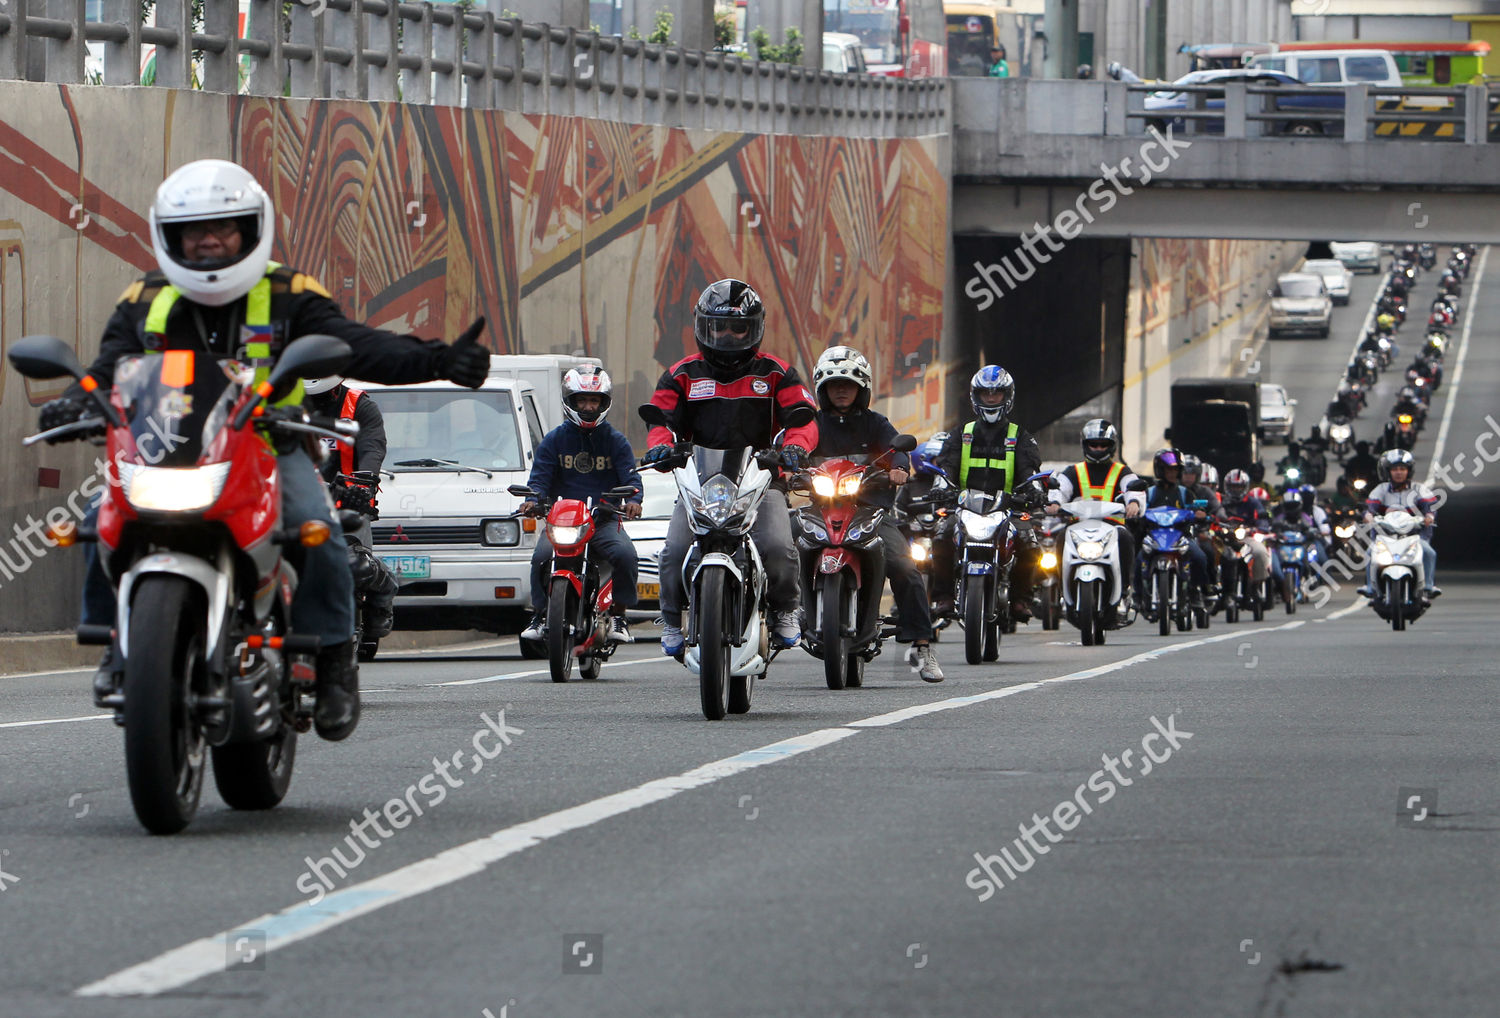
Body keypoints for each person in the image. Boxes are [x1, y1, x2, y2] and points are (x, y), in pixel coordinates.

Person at [39, 159, 490, 741]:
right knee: (97, 517)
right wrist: (76, 400)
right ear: (169, 236)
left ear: (249, 230)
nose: (207, 239)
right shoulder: (146, 297)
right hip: (166, 453)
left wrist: (437, 360)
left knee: (319, 531)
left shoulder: (290, 294)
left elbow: (354, 345)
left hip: (269, 447)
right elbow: (109, 368)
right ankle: (117, 641)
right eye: (192, 230)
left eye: (222, 227)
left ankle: (332, 663)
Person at [640, 279, 817, 656]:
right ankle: (671, 619)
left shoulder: (777, 373)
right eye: (720, 326)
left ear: (755, 328)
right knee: (672, 552)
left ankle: (786, 610)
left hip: (760, 480)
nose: (729, 335)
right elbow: (660, 420)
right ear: (703, 327)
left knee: (779, 547)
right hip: (698, 484)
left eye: (739, 327)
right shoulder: (681, 374)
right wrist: (660, 448)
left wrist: (794, 449)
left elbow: (804, 420)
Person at [807, 346, 942, 682]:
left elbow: (897, 449)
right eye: (834, 384)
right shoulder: (809, 424)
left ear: (862, 389)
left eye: (848, 384)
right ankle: (773, 626)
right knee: (778, 552)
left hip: (870, 513)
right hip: (819, 512)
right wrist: (783, 466)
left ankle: (922, 646)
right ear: (822, 389)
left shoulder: (876, 424)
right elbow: (790, 449)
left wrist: (899, 468)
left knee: (904, 565)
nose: (841, 390)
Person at [519, 366, 643, 644]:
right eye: (582, 400)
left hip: (603, 521)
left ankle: (620, 616)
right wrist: (532, 501)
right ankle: (540, 615)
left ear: (603, 403)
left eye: (594, 400)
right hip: (561, 523)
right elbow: (538, 480)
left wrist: (634, 500)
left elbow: (631, 478)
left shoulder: (616, 441)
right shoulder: (554, 440)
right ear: (571, 402)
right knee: (540, 558)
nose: (588, 406)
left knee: (626, 556)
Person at [934, 366, 1043, 621]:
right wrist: (940, 485)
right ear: (976, 397)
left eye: (997, 394)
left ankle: (1020, 600)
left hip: (1007, 507)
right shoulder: (962, 433)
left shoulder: (1020, 436)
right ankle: (943, 597)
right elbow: (947, 463)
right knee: (940, 537)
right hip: (965, 507)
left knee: (1030, 543)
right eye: (986, 394)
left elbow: (1030, 468)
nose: (992, 399)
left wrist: (1035, 489)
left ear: (1008, 397)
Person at [304, 374, 397, 641]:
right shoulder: (279, 402)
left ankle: (382, 593)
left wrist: (363, 482)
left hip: (347, 500)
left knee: (356, 564)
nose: (314, 403)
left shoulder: (360, 405)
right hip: (294, 499)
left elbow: (373, 447)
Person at [1043, 419, 1143, 606]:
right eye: (1093, 444)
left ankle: (1124, 588)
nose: (1098, 449)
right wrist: (1054, 503)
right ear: (1085, 445)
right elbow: (1060, 489)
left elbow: (1132, 488)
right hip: (1078, 528)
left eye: (1103, 445)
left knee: (1127, 538)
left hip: (1113, 527)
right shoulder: (1073, 471)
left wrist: (1134, 503)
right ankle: (1060, 586)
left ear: (1111, 446)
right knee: (1061, 538)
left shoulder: (1122, 471)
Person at [1360, 449, 1440, 602]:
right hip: (1385, 537)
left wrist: (1429, 516)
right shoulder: (1380, 490)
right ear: (1388, 471)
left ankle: (1428, 586)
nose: (1399, 473)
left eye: (1402, 469)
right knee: (1370, 552)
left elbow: (1430, 507)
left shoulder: (1419, 489)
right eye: (1394, 469)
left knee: (1429, 553)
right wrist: (1368, 516)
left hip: (1414, 536)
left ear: (1409, 471)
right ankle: (1371, 587)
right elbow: (1369, 508)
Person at [1139, 449, 1211, 608]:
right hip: (1154, 538)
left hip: (1181, 538)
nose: (1172, 473)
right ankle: (1138, 596)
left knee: (1200, 557)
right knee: (1138, 560)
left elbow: (1197, 508)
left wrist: (1200, 513)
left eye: (1175, 469)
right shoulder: (1149, 493)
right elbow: (1139, 509)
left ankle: (1195, 591)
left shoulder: (1185, 493)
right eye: (1168, 469)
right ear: (1160, 470)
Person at [1218, 468, 1274, 595]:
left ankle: (1256, 585)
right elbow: (1214, 517)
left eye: (1239, 487)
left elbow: (1262, 519)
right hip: (1225, 538)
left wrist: (1256, 528)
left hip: (1246, 537)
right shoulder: (1221, 502)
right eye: (1233, 487)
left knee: (1260, 552)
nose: (1236, 490)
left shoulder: (1253, 503)